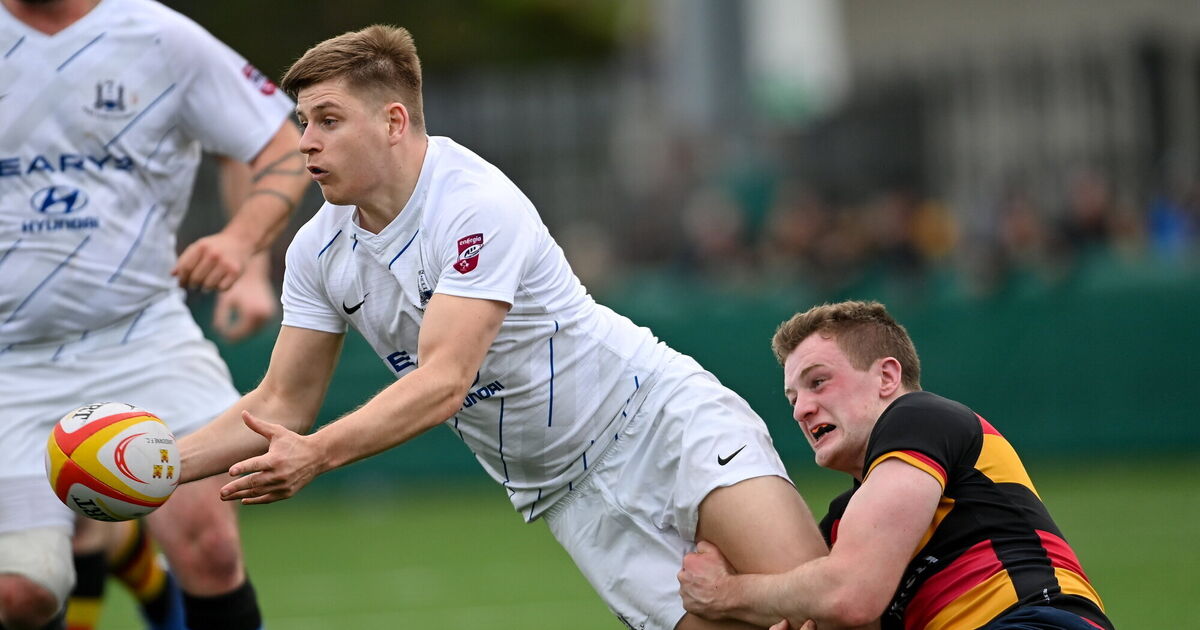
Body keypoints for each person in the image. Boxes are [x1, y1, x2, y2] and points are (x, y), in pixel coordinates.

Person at [175, 24, 830, 630]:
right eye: (302, 122)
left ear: (394, 121)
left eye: (329, 120)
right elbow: (282, 401)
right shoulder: (318, 252)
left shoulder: (473, 205)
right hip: (567, 497)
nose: (306, 142)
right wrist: (153, 470)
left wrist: (319, 453)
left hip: (657, 421)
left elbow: (443, 383)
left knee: (820, 612)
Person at [0, 0, 311, 629]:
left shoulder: (159, 36)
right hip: (11, 361)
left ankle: (125, 545)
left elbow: (279, 139)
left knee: (212, 549)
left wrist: (244, 248)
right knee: (23, 593)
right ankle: (118, 545)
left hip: (144, 337)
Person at [676, 300, 1114, 630]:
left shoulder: (919, 417)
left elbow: (850, 593)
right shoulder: (842, 525)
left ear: (887, 377)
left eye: (818, 382)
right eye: (793, 398)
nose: (801, 410)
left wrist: (725, 593)